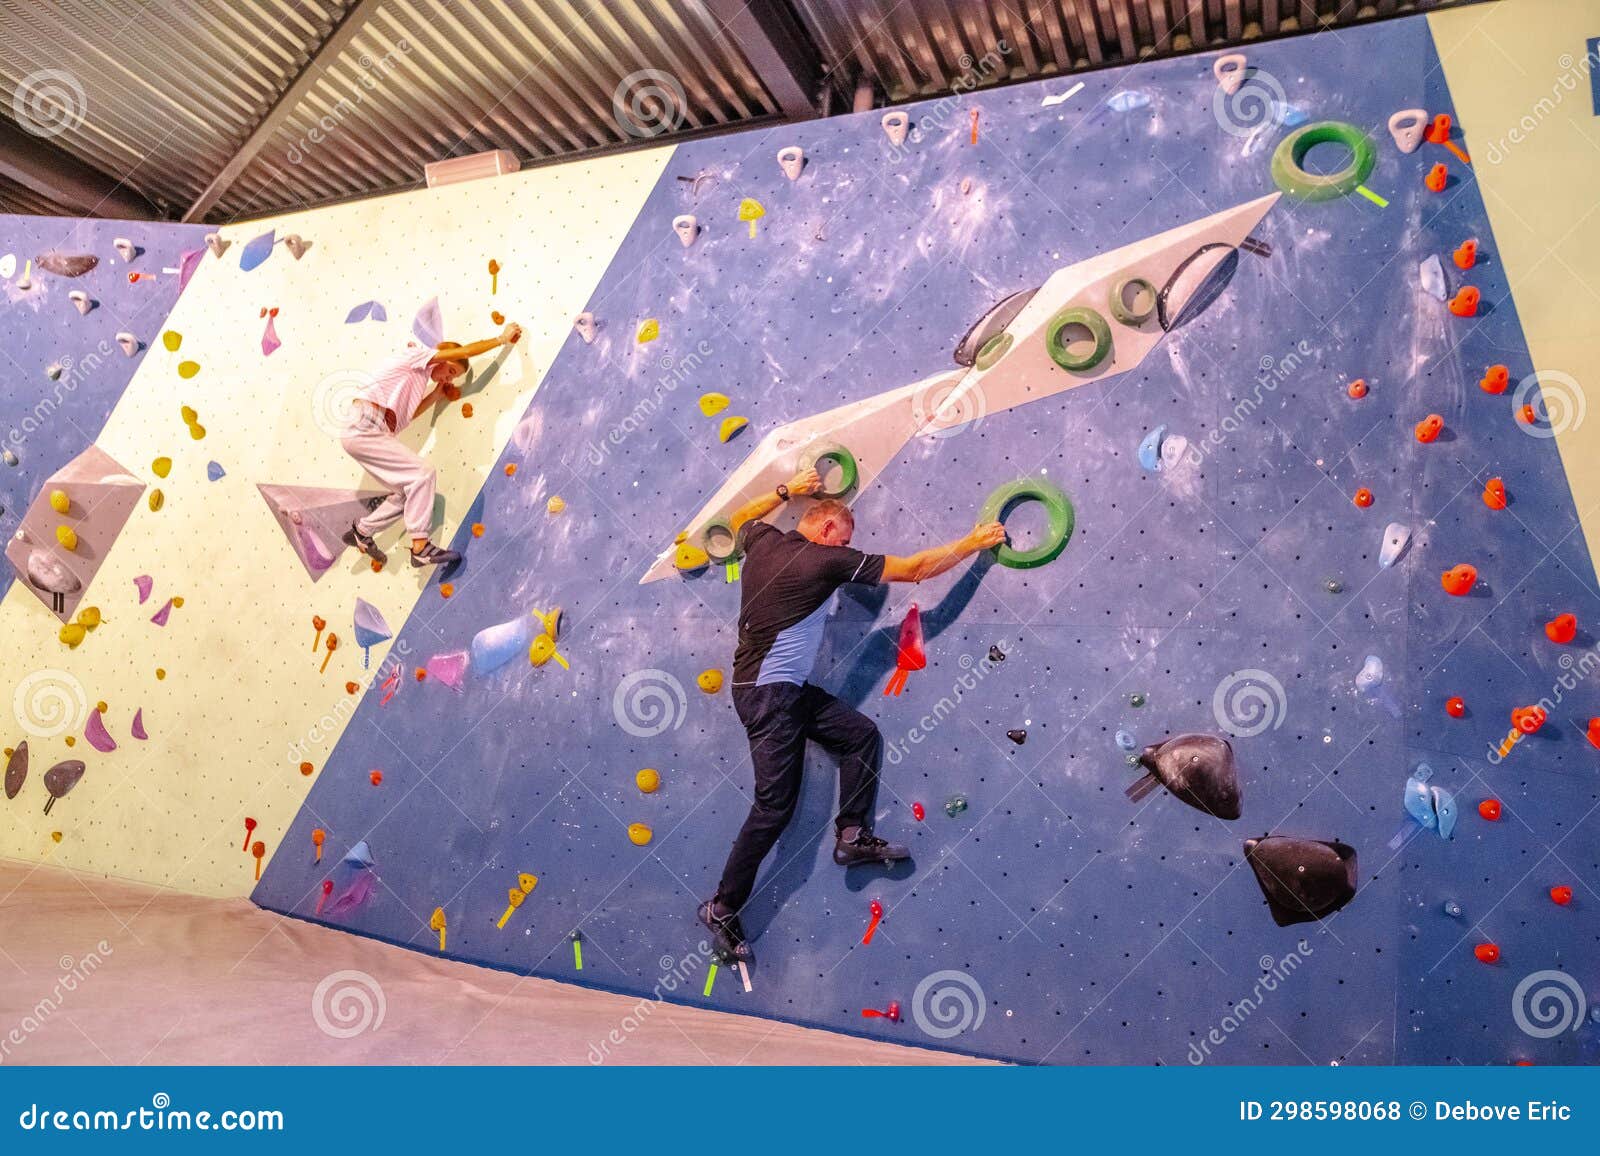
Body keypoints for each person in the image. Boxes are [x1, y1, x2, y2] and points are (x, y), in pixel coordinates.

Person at [698, 468, 1007, 963]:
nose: (847, 549)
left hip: (781, 691)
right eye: (845, 540)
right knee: (774, 808)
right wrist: (974, 543)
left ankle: (851, 836)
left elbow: (739, 520)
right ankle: (721, 907)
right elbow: (916, 569)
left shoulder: (764, 541)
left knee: (859, 735)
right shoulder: (825, 560)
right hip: (770, 695)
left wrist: (786, 491)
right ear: (826, 530)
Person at [340, 322, 521, 568]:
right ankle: (421, 547)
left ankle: (362, 531)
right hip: (364, 424)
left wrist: (435, 395)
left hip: (372, 431)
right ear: (442, 358)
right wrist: (501, 339)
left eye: (454, 377)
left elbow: (406, 417)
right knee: (423, 474)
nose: (450, 378)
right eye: (451, 370)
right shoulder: (416, 355)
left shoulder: (416, 380)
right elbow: (464, 351)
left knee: (407, 493)